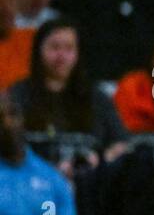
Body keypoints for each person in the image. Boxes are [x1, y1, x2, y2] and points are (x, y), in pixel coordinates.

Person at [9, 18, 129, 158]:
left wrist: (105, 160)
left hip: (89, 174)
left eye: (69, 48)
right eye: (54, 47)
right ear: (38, 50)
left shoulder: (97, 97)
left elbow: (121, 142)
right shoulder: (17, 94)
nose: (61, 56)